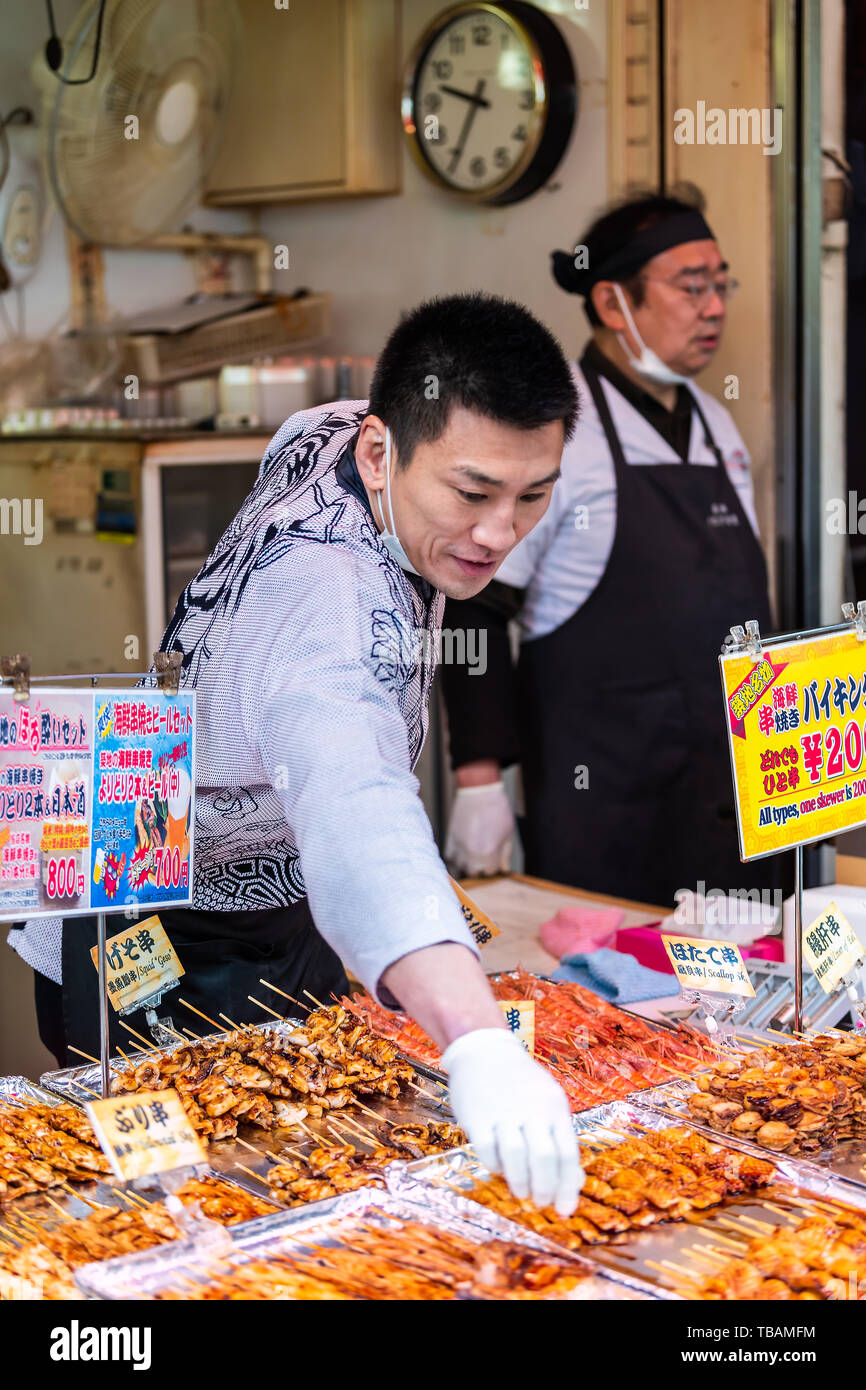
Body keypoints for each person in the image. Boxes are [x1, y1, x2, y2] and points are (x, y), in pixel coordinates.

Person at [9, 293, 583, 1213]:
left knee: (318, 1152)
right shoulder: (325, 601)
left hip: (257, 885)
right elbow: (353, 796)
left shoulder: (338, 434)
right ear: (379, 452)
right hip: (156, 923)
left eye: (533, 495)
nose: (498, 534)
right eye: (472, 494)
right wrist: (475, 1036)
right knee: (206, 1211)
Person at [442, 194, 779, 909]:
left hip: (729, 807)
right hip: (604, 810)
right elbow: (471, 609)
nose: (714, 306)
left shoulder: (718, 426)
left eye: (721, 284)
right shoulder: (552, 427)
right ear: (611, 299)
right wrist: (478, 779)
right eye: (691, 286)